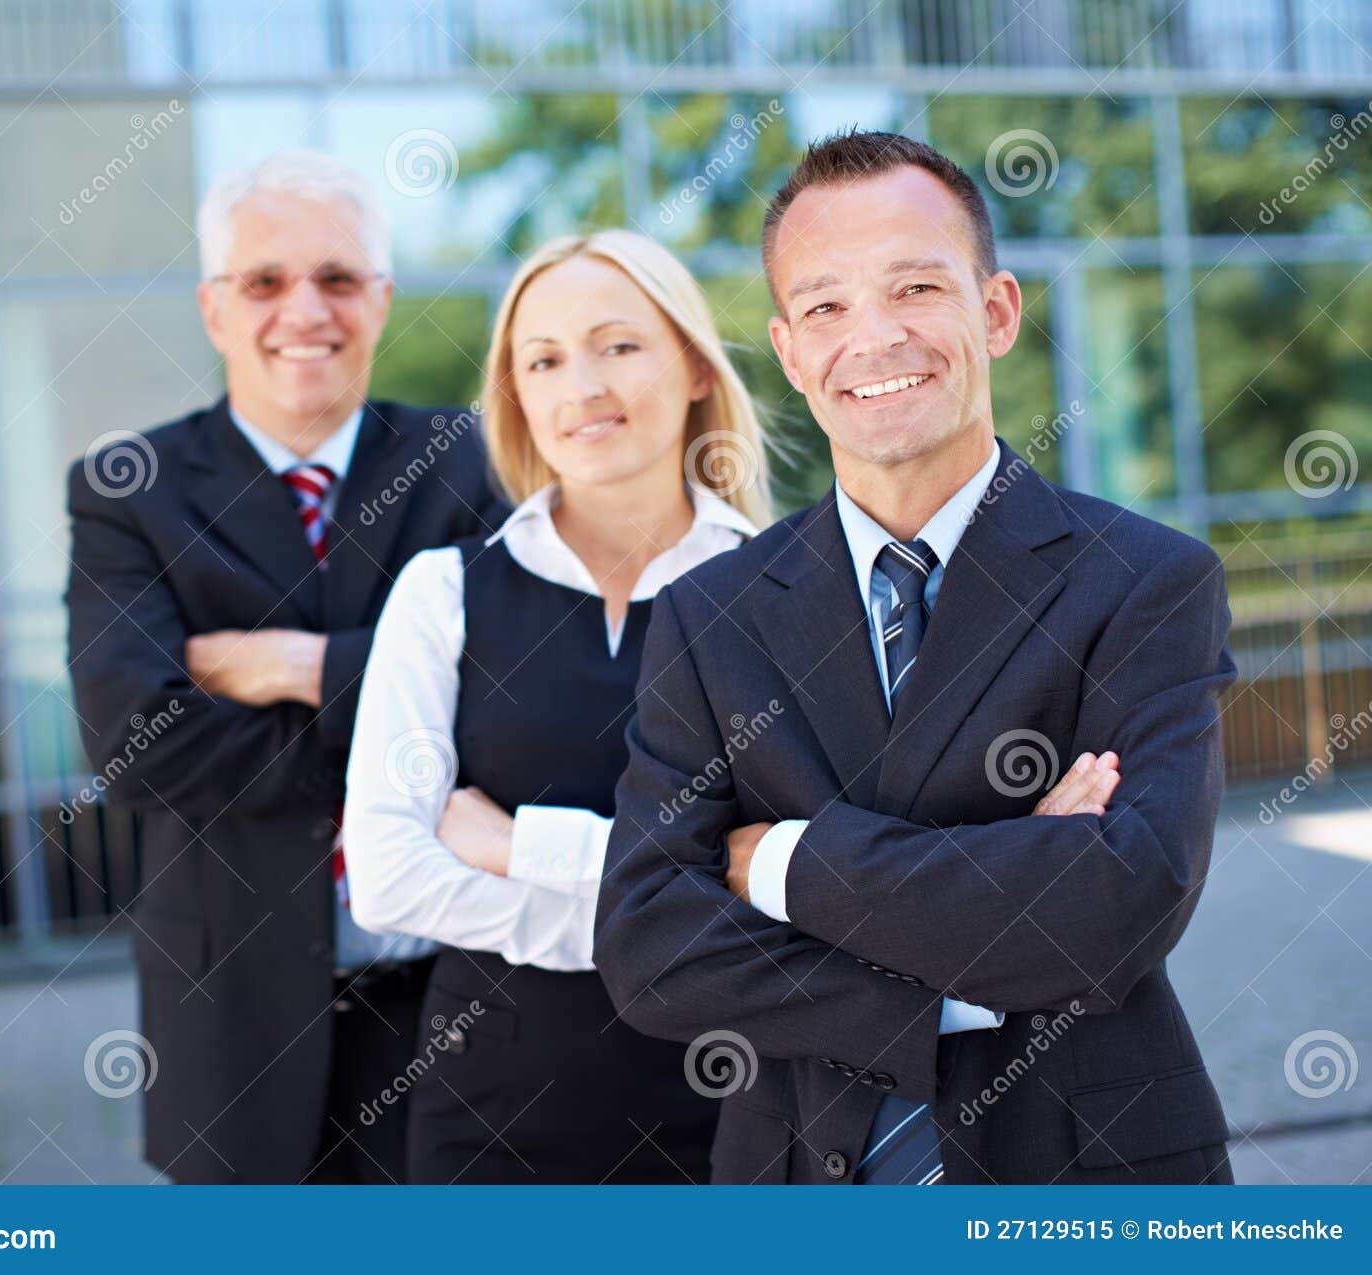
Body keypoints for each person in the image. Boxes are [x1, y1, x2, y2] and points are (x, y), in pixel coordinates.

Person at [595, 129, 1237, 1185]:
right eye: (825, 307)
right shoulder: (710, 615)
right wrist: (975, 946)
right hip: (805, 1178)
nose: (874, 337)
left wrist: (783, 865)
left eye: (915, 288)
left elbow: (1119, 904)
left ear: (995, 313)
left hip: (1087, 1171)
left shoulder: (1143, 580)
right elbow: (652, 947)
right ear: (791, 352)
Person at [64, 150, 505, 1184]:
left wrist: (302, 665)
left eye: (338, 279)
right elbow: (134, 742)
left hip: (459, 1002)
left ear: (382, 300)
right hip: (236, 1023)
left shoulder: (472, 462)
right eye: (265, 282)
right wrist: (406, 715)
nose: (304, 310)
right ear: (217, 310)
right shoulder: (131, 491)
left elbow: (522, 701)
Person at [342, 229, 769, 1183]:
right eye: (544, 360)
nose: (583, 385)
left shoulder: (783, 590)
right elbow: (386, 878)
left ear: (696, 364)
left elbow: (793, 880)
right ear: (519, 397)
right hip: (489, 1120)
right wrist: (662, 911)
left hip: (737, 1111)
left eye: (619, 344)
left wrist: (516, 847)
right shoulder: (443, 590)